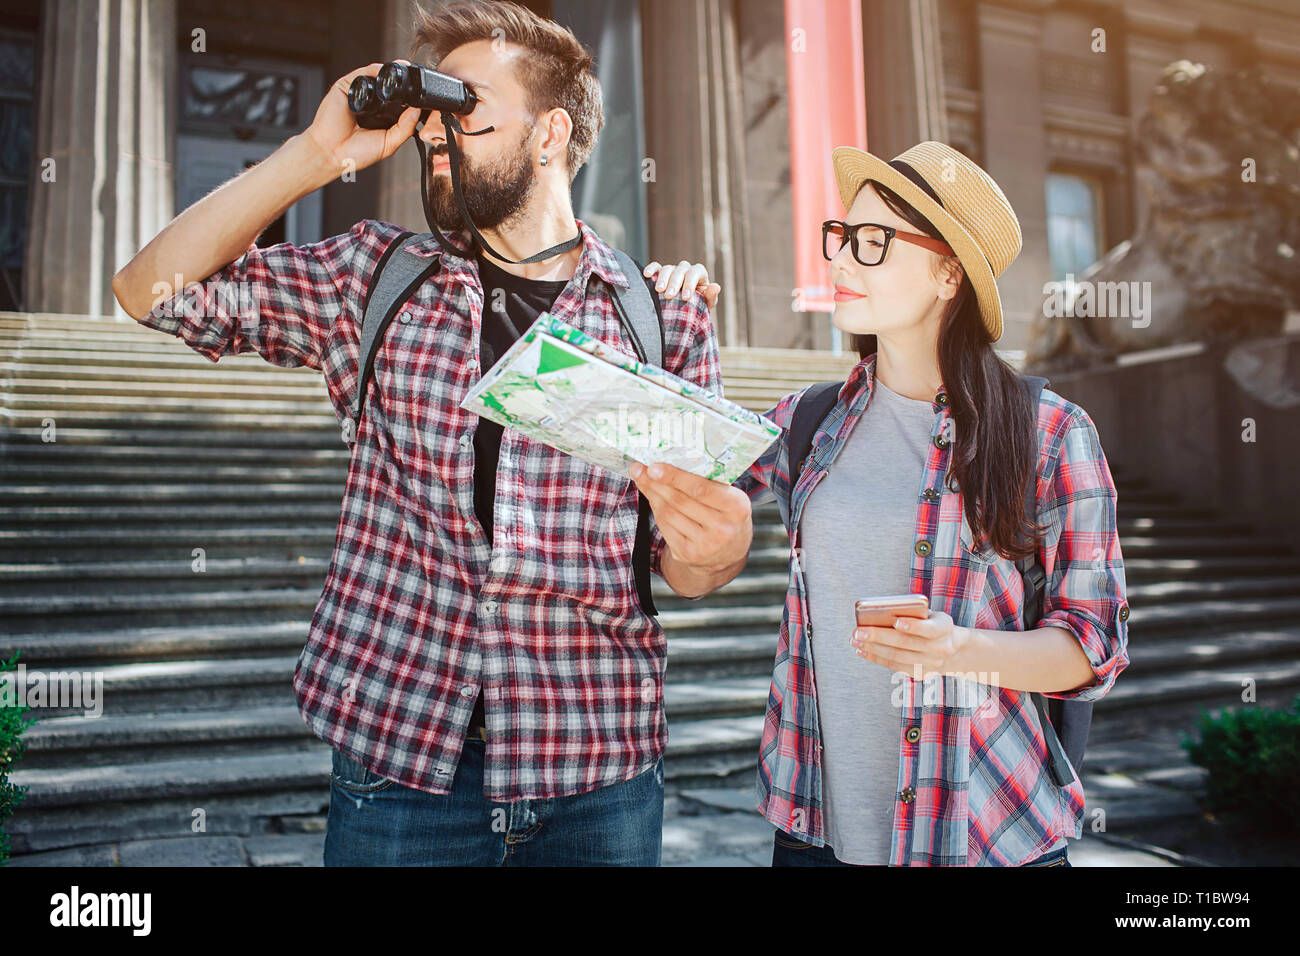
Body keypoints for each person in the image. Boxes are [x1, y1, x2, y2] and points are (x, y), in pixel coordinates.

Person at [112, 0, 743, 867]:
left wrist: (719, 548)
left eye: (466, 108)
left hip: (596, 773)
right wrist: (315, 155)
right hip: (402, 773)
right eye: (429, 117)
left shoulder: (664, 316)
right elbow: (153, 290)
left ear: (551, 132)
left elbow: (688, 565)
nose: (436, 135)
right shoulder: (375, 278)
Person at [654, 141, 1132, 866]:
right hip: (815, 830)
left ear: (949, 273)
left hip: (987, 832)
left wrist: (961, 651)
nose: (841, 261)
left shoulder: (1052, 433)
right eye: (841, 239)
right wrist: (676, 323)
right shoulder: (805, 423)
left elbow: (1093, 645)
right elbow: (691, 484)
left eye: (872, 242)